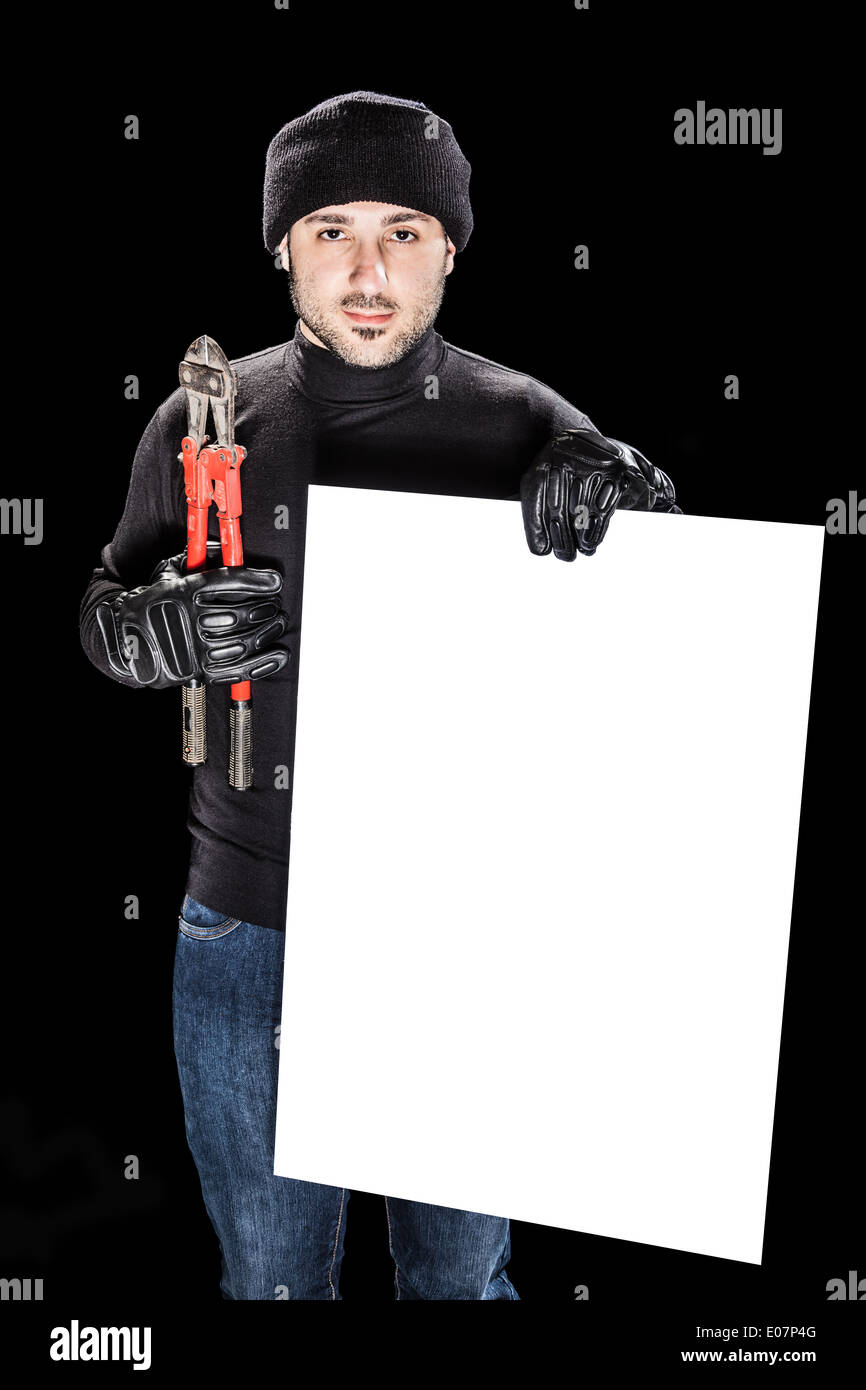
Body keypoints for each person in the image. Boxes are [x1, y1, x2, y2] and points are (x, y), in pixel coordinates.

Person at [79, 90, 681, 1301]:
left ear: (448, 247)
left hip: (452, 934)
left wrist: (638, 496)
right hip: (245, 926)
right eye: (330, 230)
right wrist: (143, 631)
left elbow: (659, 635)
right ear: (283, 250)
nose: (366, 269)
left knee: (457, 1284)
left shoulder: (523, 416)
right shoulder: (200, 420)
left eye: (402, 231)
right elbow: (102, 600)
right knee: (272, 1285)